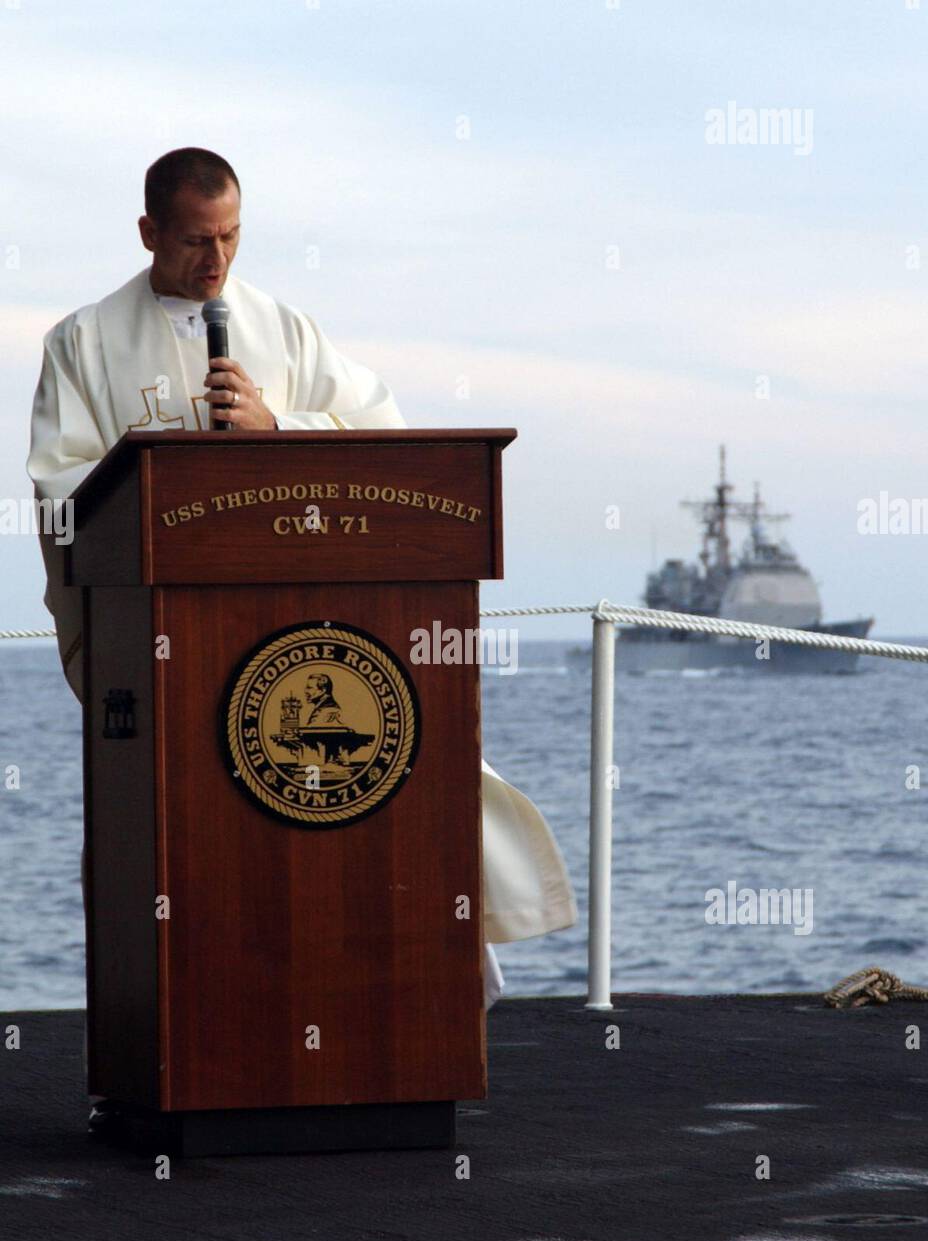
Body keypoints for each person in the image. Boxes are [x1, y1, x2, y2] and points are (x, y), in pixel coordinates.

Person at [26, 148, 577, 1035]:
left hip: (294, 628)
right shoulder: (83, 343)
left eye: (233, 237)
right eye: (197, 242)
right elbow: (61, 499)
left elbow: (383, 437)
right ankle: (176, 1039)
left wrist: (277, 426)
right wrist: (160, 464)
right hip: (169, 649)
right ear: (148, 233)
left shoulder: (283, 330)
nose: (217, 264)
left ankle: (376, 1027)